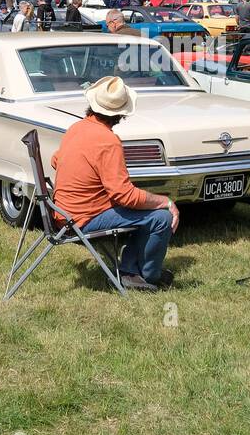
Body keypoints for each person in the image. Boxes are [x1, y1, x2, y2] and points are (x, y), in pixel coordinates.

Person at [51, 76, 178, 291]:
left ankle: (131, 270)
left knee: (145, 208)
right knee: (161, 217)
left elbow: (56, 160)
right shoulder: (108, 140)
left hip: (64, 212)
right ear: (120, 114)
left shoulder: (77, 128)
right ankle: (149, 275)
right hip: (82, 218)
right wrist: (166, 202)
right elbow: (124, 195)